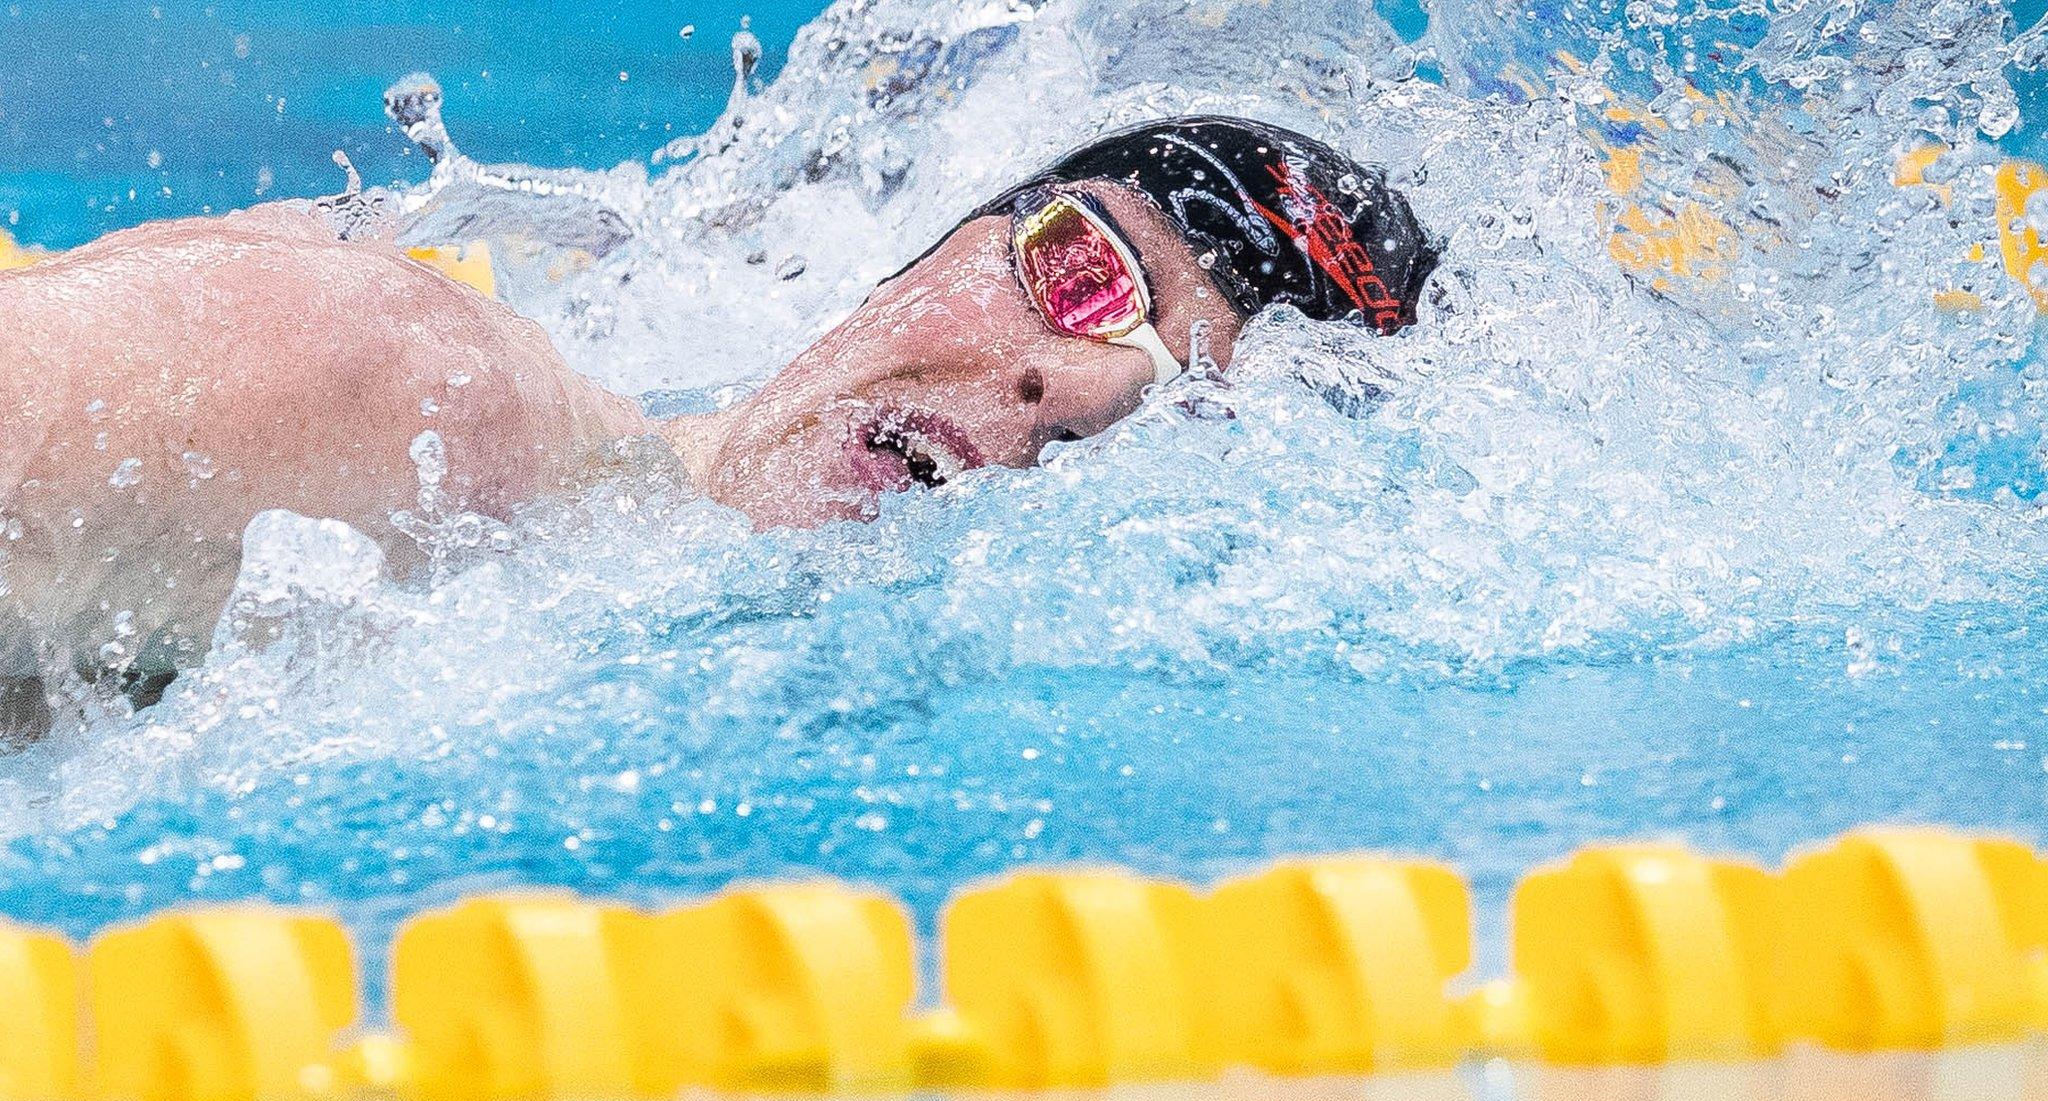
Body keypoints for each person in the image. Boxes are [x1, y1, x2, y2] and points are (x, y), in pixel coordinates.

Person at [0, 116, 1436, 740]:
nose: (1068, 397)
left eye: (1174, 421)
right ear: (935, 244)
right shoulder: (422, 395)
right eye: (1079, 274)